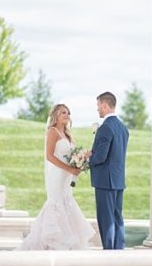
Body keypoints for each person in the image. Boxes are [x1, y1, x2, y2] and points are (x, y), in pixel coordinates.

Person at [16, 104, 95, 250]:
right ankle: (50, 240)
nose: (67, 115)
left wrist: (82, 158)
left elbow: (71, 155)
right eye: (63, 112)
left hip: (66, 177)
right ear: (56, 115)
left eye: (68, 113)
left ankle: (66, 241)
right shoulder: (52, 131)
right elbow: (49, 156)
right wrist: (70, 169)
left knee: (67, 202)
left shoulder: (67, 134)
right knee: (56, 203)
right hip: (57, 176)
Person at [87, 92, 129, 249]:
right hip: (118, 180)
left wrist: (86, 160)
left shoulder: (105, 127)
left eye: (98, 105)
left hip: (105, 181)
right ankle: (118, 251)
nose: (97, 109)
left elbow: (101, 157)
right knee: (117, 218)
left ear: (105, 105)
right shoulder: (123, 128)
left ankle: (109, 252)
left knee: (106, 219)